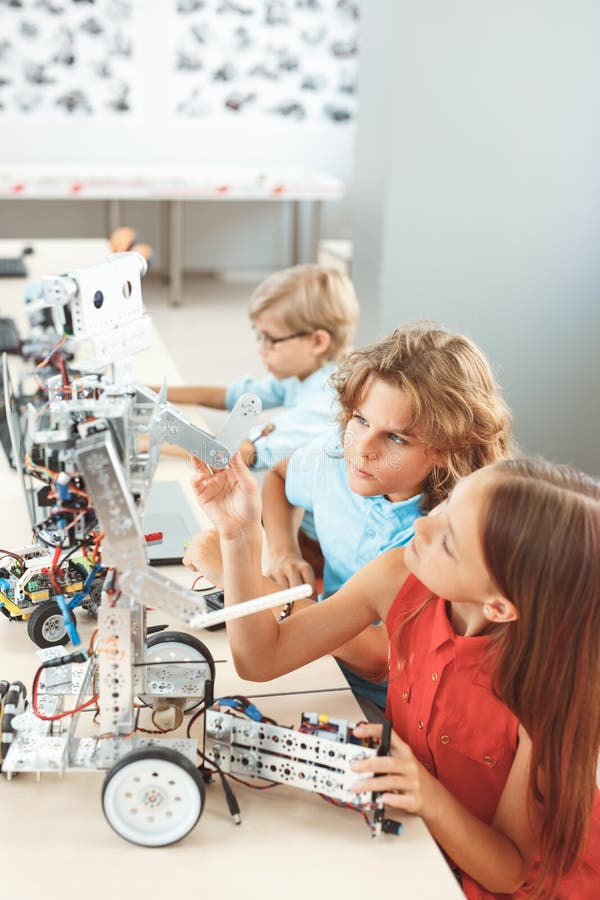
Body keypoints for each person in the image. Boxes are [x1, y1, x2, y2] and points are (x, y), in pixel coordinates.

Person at [190, 453, 600, 899]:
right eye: (445, 507)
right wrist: (238, 535)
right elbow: (261, 659)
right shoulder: (398, 576)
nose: (423, 526)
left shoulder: (553, 696)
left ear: (499, 606)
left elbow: (509, 872)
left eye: (449, 542)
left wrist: (427, 795)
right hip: (417, 840)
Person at [185, 325, 513, 712]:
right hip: (325, 652)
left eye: (396, 438)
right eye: (360, 419)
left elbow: (377, 660)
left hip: (390, 707)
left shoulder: (439, 539)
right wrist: (282, 549)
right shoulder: (337, 456)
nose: (362, 449)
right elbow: (279, 475)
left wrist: (237, 574)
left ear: (447, 448)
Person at [154, 264, 358, 468]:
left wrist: (152, 441)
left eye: (271, 340)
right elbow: (233, 396)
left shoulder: (326, 401)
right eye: (259, 336)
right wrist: (150, 393)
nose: (261, 350)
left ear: (318, 342)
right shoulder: (305, 372)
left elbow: (242, 452)